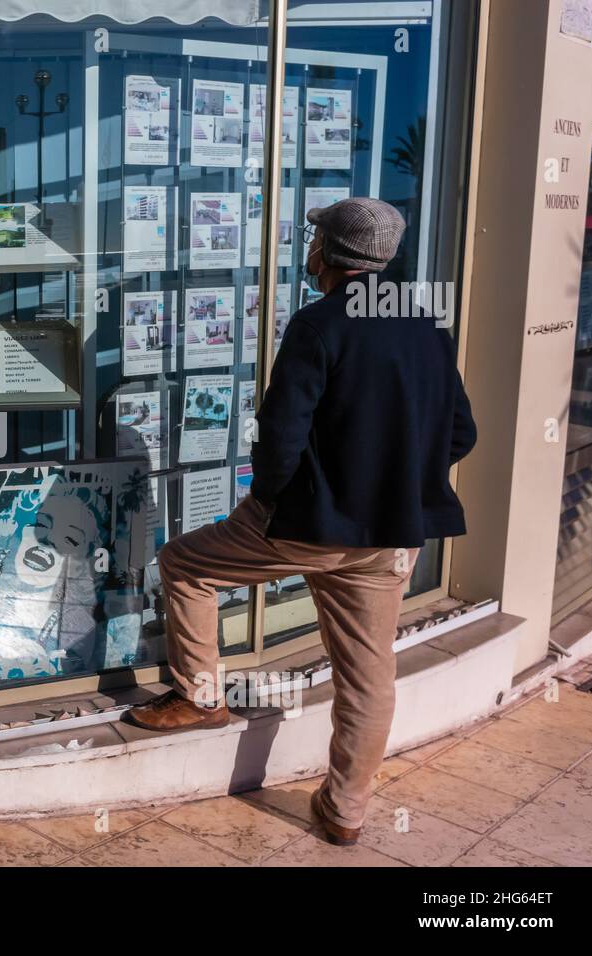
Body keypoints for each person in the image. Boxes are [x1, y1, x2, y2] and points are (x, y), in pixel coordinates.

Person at [127, 197, 477, 847]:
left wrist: (271, 501)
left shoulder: (320, 325)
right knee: (370, 676)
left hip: (310, 524)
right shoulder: (426, 324)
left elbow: (280, 440)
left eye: (315, 237)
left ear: (331, 255)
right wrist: (393, 482)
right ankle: (345, 812)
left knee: (183, 565)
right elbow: (461, 432)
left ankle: (201, 699)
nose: (308, 247)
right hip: (390, 536)